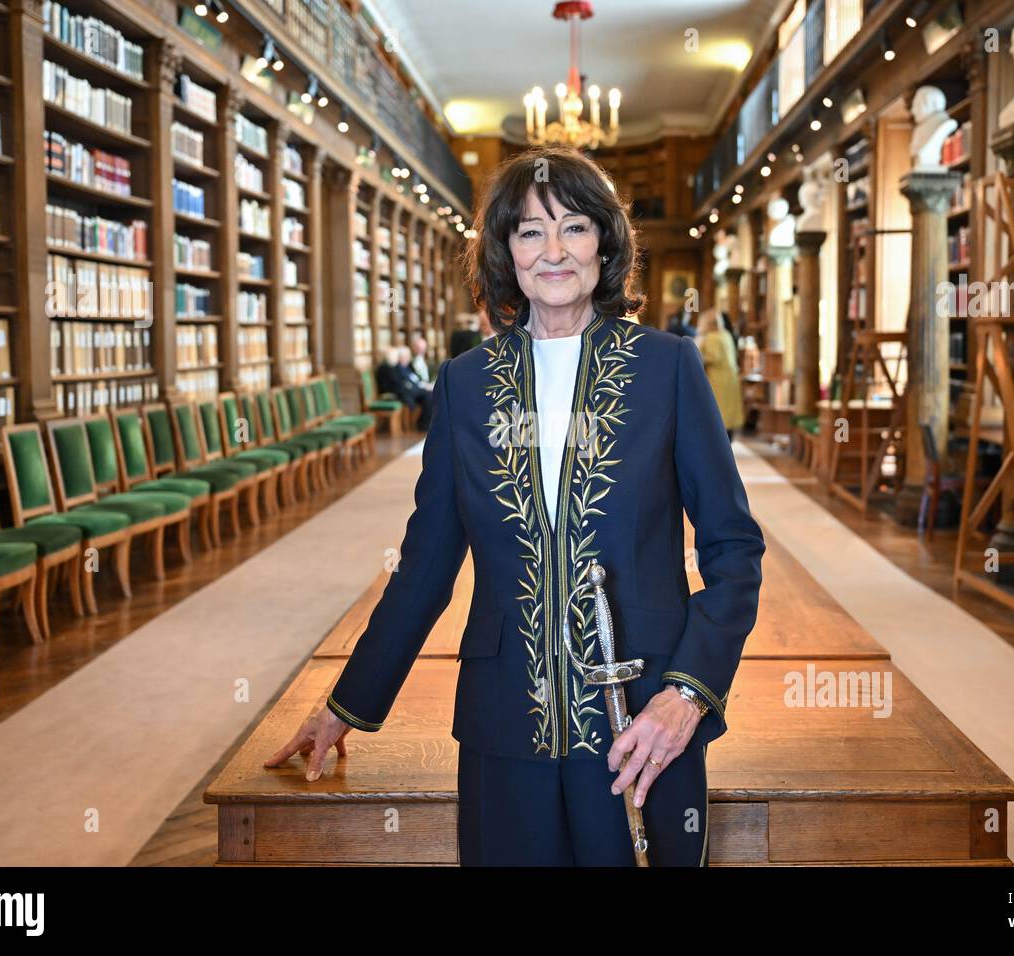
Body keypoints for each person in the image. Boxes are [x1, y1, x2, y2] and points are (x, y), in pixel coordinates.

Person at [265, 145, 765, 867]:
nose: (554, 250)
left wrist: (686, 696)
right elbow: (426, 565)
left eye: (575, 227)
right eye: (531, 231)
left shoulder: (669, 368)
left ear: (606, 242)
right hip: (505, 724)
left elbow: (733, 549)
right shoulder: (465, 385)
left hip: (644, 724)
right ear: (506, 251)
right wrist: (348, 703)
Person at [695, 309, 744, 442]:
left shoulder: (711, 337)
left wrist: (698, 354)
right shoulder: (726, 334)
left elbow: (712, 357)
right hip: (731, 378)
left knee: (718, 414)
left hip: (718, 380)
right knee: (729, 414)